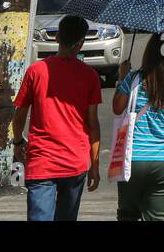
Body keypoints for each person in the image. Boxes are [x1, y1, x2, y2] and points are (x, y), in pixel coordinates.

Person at [12, 14, 102, 221]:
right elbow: (93, 125)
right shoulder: (90, 76)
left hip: (41, 161)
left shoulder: (36, 71)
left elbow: (19, 116)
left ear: (57, 38)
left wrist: (18, 141)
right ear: (81, 44)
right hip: (75, 162)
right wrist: (94, 166)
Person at [113, 33, 164, 221]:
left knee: (127, 214)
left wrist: (122, 78)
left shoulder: (133, 80)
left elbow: (117, 108)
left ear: (149, 53)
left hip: (132, 160)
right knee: (155, 217)